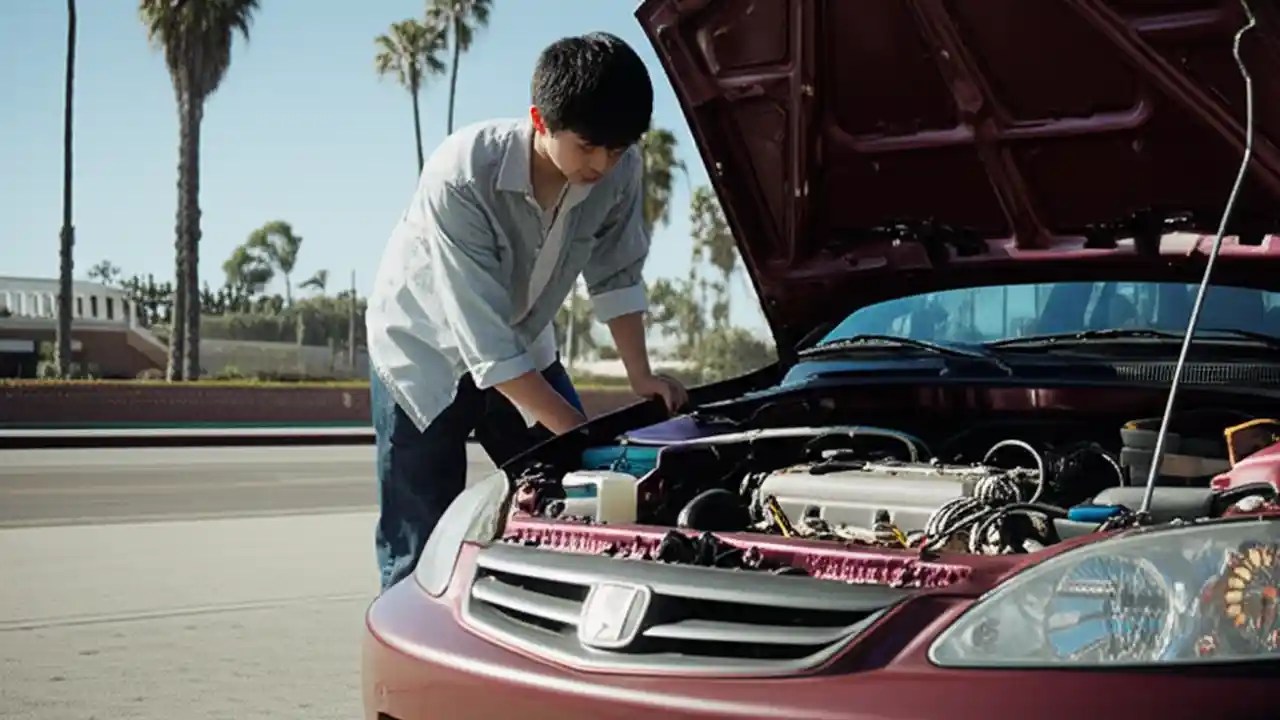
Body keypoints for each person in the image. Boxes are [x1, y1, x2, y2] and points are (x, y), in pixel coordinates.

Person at [365, 31, 689, 591]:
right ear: (540, 119)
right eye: (589, 146)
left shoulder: (621, 168)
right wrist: (582, 434)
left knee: (572, 507)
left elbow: (616, 272)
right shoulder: (463, 175)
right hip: (423, 358)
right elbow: (486, 346)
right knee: (418, 545)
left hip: (526, 347)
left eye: (618, 149)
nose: (604, 164)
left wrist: (640, 375)